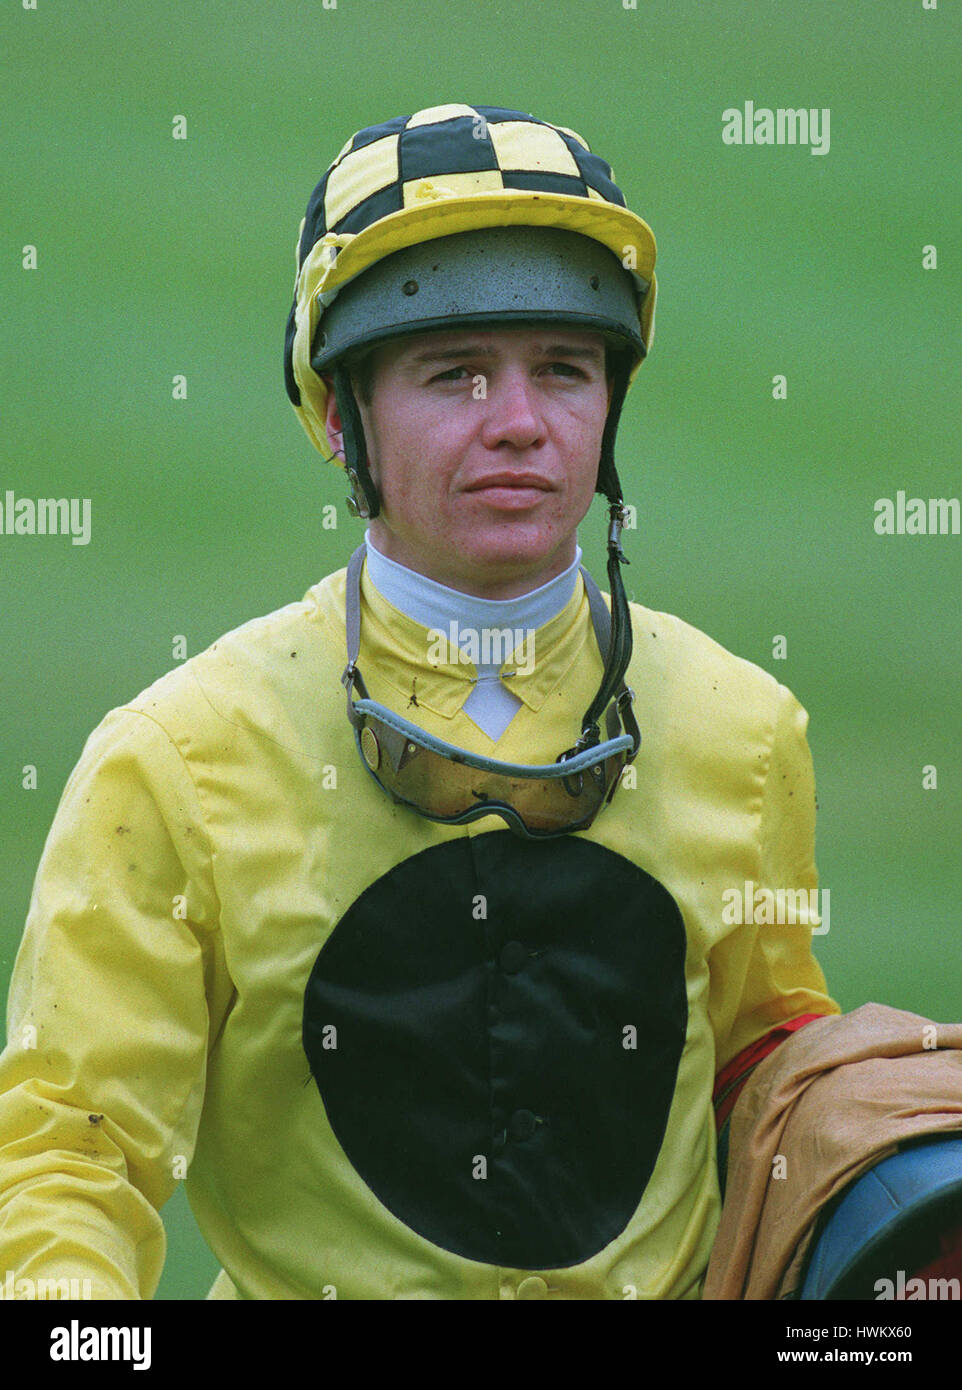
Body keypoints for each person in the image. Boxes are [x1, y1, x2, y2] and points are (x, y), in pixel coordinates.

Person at [0, 104, 841, 1301]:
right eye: (454, 373)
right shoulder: (172, 762)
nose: (519, 423)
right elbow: (69, 1156)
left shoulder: (744, 731)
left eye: (563, 368)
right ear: (343, 418)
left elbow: (774, 1086)